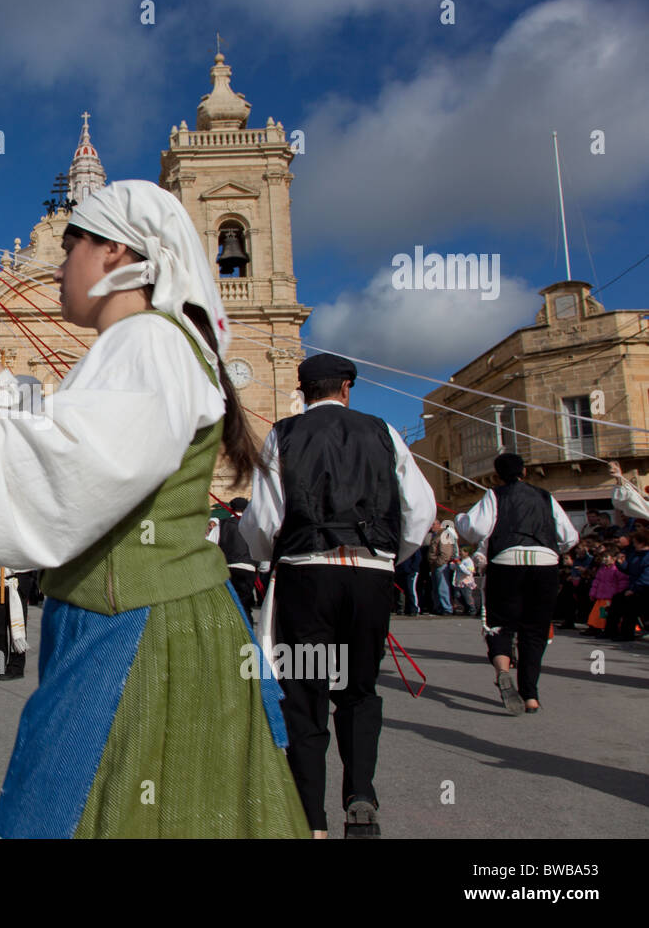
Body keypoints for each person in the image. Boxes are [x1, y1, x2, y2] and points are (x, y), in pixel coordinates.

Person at [0, 180, 308, 837]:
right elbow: (68, 422)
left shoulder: (148, 341)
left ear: (115, 254)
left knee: (101, 804)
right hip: (128, 613)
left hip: (137, 624)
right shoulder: (147, 344)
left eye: (70, 244)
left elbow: (76, 464)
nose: (58, 263)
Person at [240, 352, 437, 839]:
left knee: (306, 693)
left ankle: (312, 820)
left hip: (307, 576)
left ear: (302, 389)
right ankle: (360, 795)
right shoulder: (384, 432)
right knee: (359, 690)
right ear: (347, 387)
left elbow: (263, 521)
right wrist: (387, 555)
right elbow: (420, 509)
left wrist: (275, 555)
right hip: (369, 574)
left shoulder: (282, 435)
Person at [455, 452, 577, 715]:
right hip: (545, 563)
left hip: (507, 561)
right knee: (535, 630)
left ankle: (502, 670)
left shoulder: (495, 495)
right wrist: (552, 548)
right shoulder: (545, 496)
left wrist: (460, 520)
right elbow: (569, 536)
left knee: (500, 623)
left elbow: (475, 530)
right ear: (524, 472)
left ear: (497, 475)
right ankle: (531, 695)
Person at [605, 528, 649, 641]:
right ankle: (610, 631)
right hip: (635, 588)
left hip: (643, 590)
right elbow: (629, 570)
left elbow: (646, 577)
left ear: (642, 542)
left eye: (635, 542)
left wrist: (633, 589)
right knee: (617, 600)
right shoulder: (636, 555)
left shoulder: (647, 557)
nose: (633, 545)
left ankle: (627, 633)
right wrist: (621, 564)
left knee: (631, 605)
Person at [216, 497, 257, 613]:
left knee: (228, 602)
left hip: (227, 566)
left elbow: (213, 544)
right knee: (245, 603)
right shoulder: (253, 525)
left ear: (230, 508)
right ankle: (246, 627)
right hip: (248, 566)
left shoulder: (221, 524)